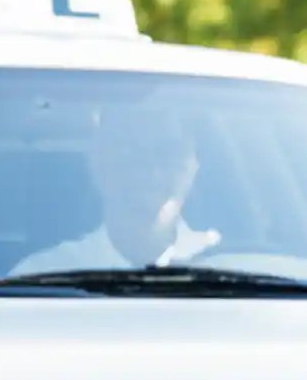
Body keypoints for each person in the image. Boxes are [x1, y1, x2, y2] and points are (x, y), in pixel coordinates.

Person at [11, 104, 220, 274]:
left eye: (168, 150)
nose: (152, 169)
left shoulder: (236, 268)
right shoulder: (41, 276)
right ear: (98, 163)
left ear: (194, 165)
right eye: (131, 151)